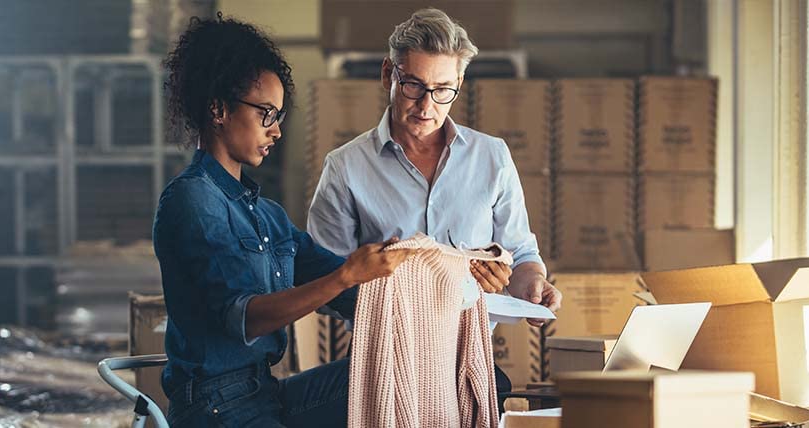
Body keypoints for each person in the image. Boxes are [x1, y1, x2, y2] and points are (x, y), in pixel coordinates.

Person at [154, 15, 417, 427]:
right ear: (219, 108)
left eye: (278, 116)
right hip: (216, 408)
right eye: (266, 114)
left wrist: (437, 273)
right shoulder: (193, 200)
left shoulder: (267, 216)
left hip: (266, 392)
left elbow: (349, 290)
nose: (276, 131)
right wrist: (347, 275)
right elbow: (245, 318)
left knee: (408, 377)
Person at [307, 8, 563, 394]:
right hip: (383, 366)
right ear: (387, 76)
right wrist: (427, 281)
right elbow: (324, 284)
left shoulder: (492, 157)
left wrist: (532, 285)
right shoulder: (346, 168)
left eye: (443, 90)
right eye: (413, 86)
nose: (427, 106)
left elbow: (520, 252)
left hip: (469, 362)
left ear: (459, 82)